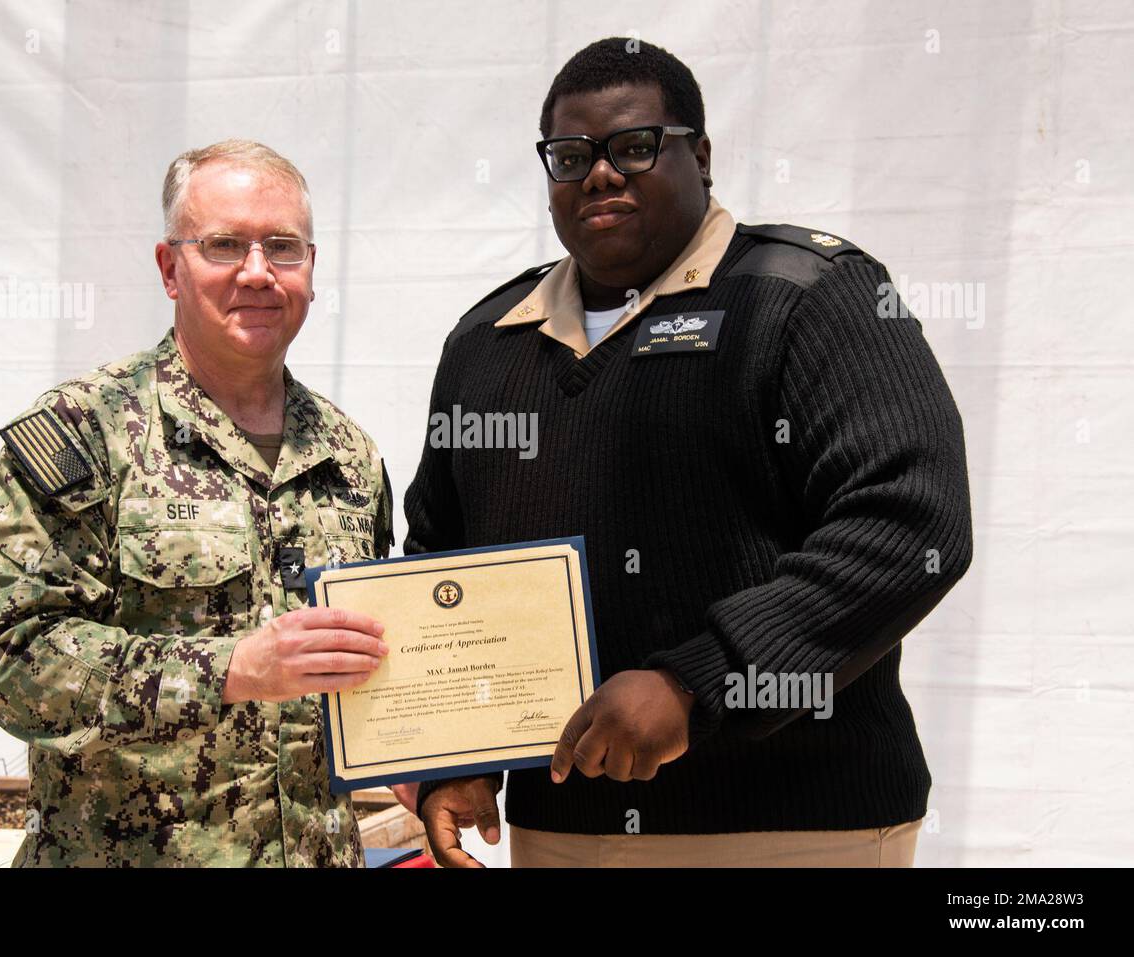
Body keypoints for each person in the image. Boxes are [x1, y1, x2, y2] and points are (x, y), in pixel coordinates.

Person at [405, 38, 973, 867]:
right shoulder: (487, 341)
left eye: (635, 147)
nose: (601, 174)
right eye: (571, 156)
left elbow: (909, 523)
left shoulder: (811, 297)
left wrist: (696, 681)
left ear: (700, 155)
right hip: (559, 830)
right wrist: (457, 756)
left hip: (794, 829)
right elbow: (442, 562)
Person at [0, 139, 394, 866]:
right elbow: (17, 662)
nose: (257, 272)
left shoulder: (349, 454)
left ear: (312, 272)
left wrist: (419, 760)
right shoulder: (84, 431)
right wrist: (231, 668)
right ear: (171, 268)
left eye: (282, 248)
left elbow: (359, 671)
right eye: (225, 244)